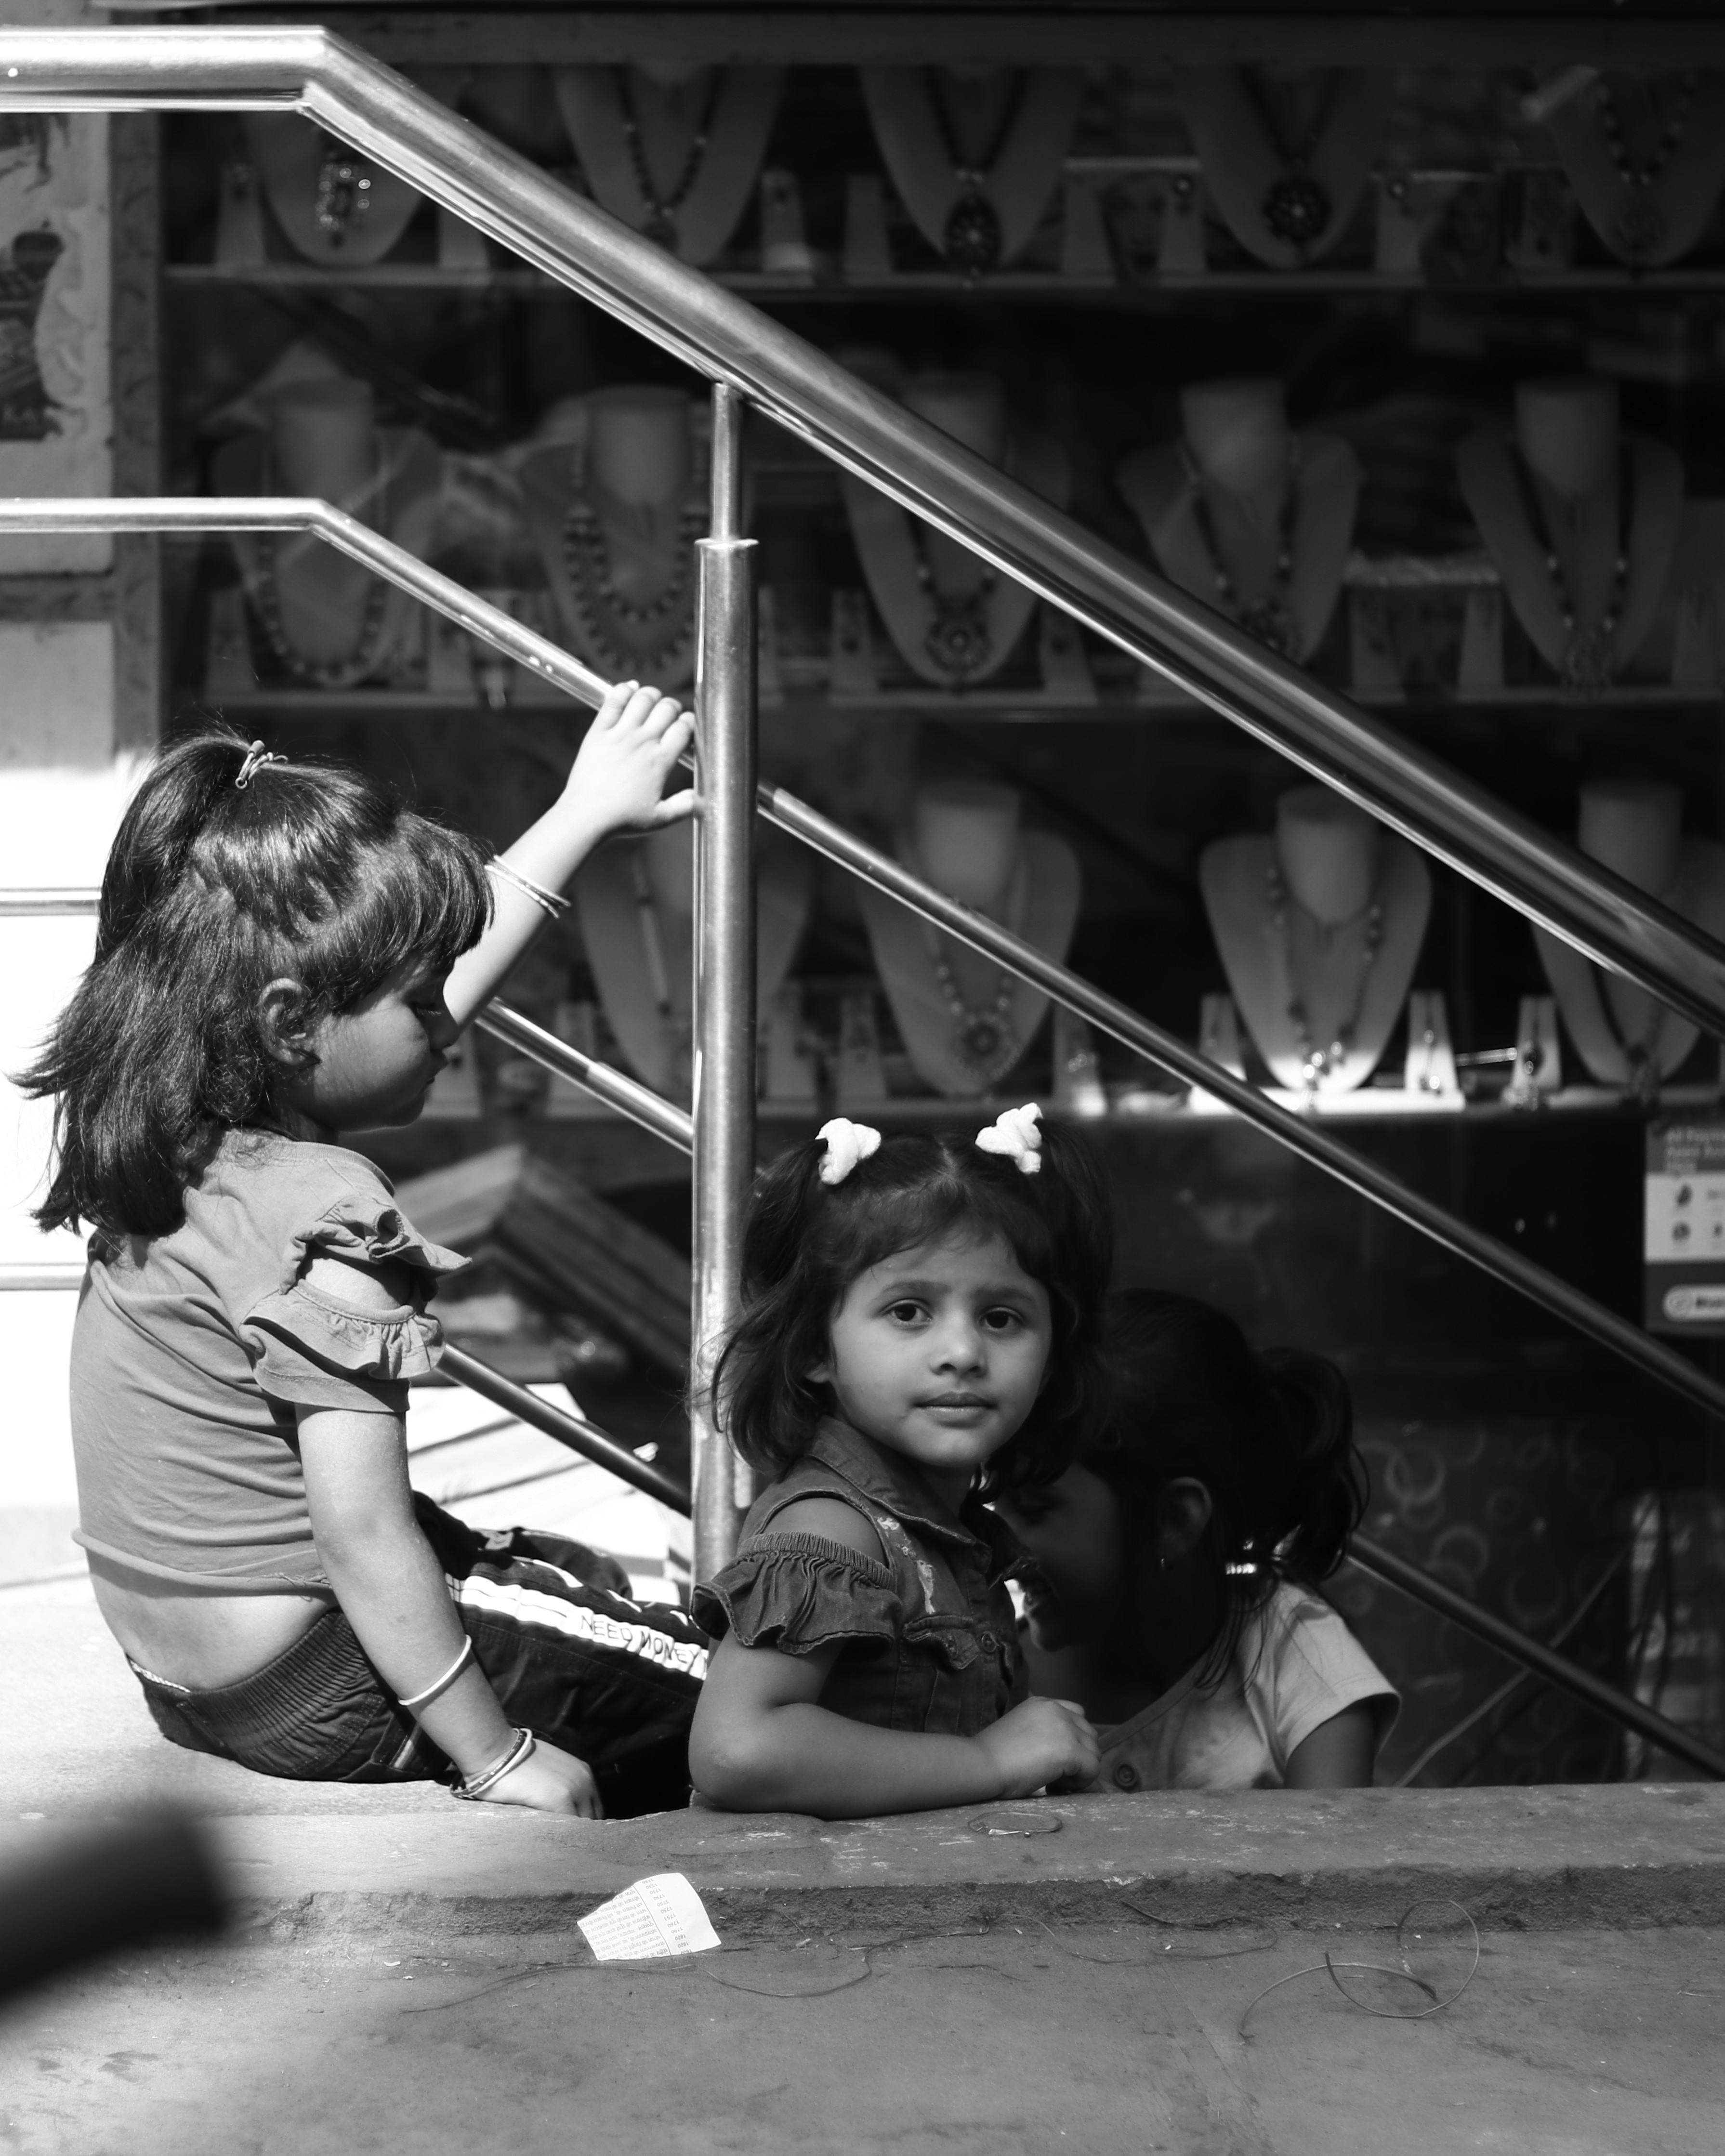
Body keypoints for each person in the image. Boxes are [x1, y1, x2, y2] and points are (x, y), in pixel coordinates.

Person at [20, 689, 710, 1818]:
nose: (451, 1027)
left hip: (189, 1676)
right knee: (714, 1694)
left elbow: (400, 1000)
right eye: (426, 1002)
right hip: (312, 1679)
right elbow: (360, 1532)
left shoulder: (176, 1131)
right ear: (293, 1025)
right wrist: (501, 1761)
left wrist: (582, 813)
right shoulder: (330, 1212)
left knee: (560, 1573)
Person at [688, 1104, 1111, 1817]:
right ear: (816, 1348)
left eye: (1001, 1318)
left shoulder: (943, 1530)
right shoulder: (834, 1530)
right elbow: (739, 1749)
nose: (963, 1353)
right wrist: (991, 1759)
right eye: (909, 1311)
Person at [995, 1289, 1396, 1792]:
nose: (997, 1546)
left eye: (1033, 1510)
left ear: (1175, 1519)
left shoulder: (1297, 1658)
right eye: (990, 1505)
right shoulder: (988, 1669)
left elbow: (1336, 1864)